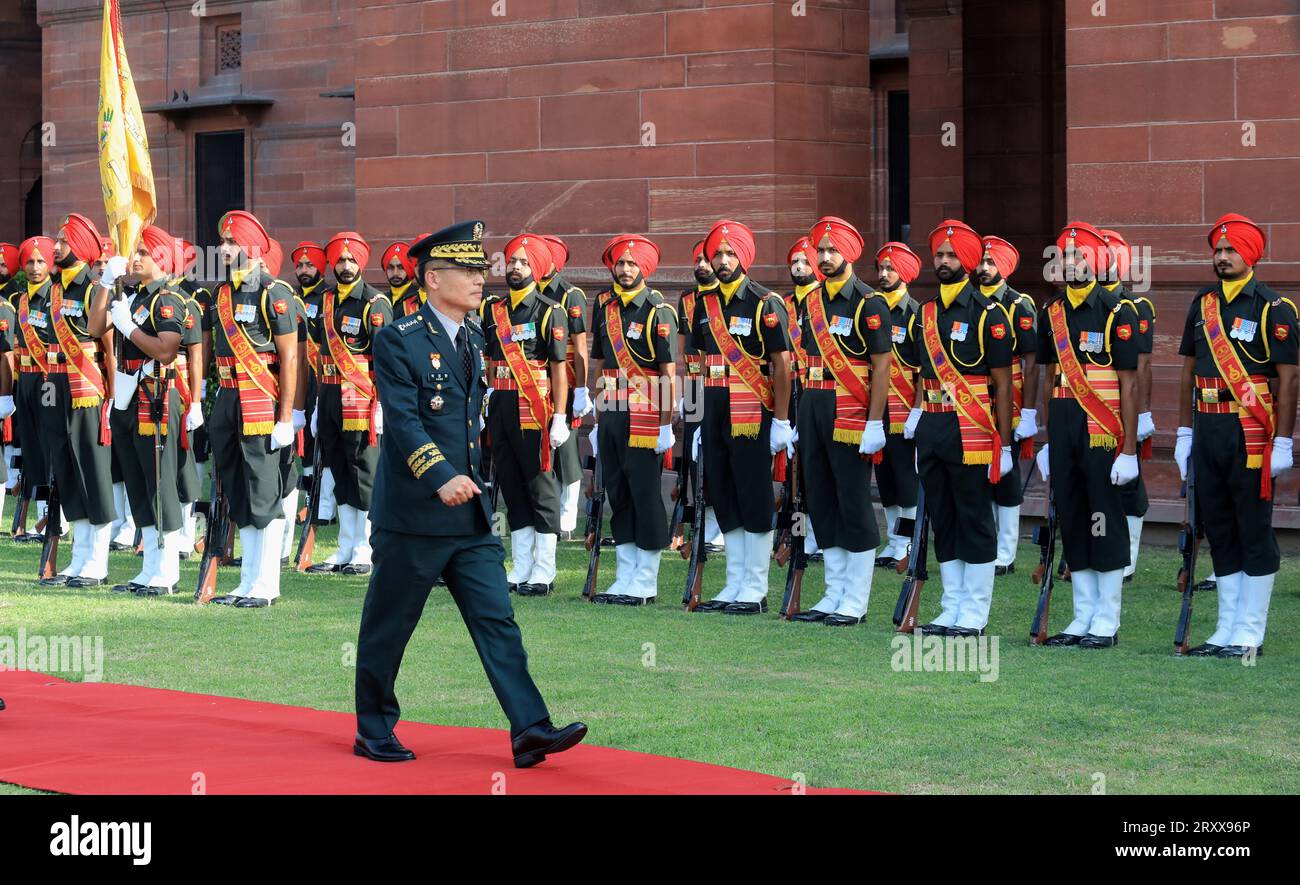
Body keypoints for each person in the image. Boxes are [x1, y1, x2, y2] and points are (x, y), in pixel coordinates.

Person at [353, 220, 586, 767]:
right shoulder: (398, 339)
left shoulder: (476, 338)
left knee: (497, 618)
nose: (483, 279)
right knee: (390, 626)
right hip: (414, 514)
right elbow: (404, 422)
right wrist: (439, 475)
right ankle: (373, 728)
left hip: (470, 515)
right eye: (469, 271)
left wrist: (473, 481)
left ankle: (530, 727)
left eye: (483, 269)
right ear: (434, 279)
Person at [1175, 214, 1297, 657]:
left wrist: (1283, 440)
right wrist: (1185, 431)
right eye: (1218, 250)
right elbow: (1188, 370)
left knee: (1252, 527)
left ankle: (1251, 630)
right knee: (1220, 527)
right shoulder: (1202, 303)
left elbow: (1288, 380)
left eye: (1231, 250)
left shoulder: (1273, 307)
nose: (1222, 257)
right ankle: (1225, 627)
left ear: (1250, 255)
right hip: (1207, 427)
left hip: (1250, 431)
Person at [898, 220, 1014, 637]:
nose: (944, 261)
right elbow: (915, 371)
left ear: (965, 260)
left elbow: (1001, 382)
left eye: (952, 255)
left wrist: (1004, 442)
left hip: (973, 428)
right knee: (943, 517)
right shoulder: (924, 313)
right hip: (932, 423)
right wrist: (915, 417)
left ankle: (975, 611)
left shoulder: (989, 314)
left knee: (974, 516)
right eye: (940, 255)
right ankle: (951, 606)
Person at [1035, 221, 1141, 649]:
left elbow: (1129, 383)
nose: (1071, 263)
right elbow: (1047, 377)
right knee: (1076, 516)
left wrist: (1130, 449)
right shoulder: (1052, 313)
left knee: (1104, 519)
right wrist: (1045, 438)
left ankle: (1107, 618)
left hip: (1102, 430)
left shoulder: (1118, 312)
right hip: (1063, 425)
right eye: (1065, 257)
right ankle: (1082, 615)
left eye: (1079, 256)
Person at [784, 217, 891, 625]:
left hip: (850, 412)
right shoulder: (810, 302)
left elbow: (881, 368)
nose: (825, 258)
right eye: (820, 251)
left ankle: (856, 600)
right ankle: (833, 592)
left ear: (848, 253)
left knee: (852, 502)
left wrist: (876, 423)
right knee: (822, 502)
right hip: (813, 407)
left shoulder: (868, 302)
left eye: (832, 250)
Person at [688, 219, 793, 614]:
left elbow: (781, 364)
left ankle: (755, 585)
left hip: (751, 413)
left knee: (753, 494)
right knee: (724, 495)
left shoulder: (766, 303)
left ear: (745, 258)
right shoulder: (705, 304)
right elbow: (698, 365)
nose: (723, 260)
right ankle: (733, 582)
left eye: (731, 253)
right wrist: (697, 422)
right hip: (713, 412)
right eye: (718, 253)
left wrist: (781, 420)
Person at [203, 210, 301, 608]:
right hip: (227, 397)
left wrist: (285, 418)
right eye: (223, 242)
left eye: (233, 243)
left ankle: (267, 584)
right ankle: (246, 582)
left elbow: (290, 357)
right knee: (239, 491)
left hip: (260, 400)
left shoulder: (273, 293)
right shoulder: (222, 294)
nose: (224, 249)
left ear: (255, 249)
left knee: (264, 492)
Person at [91, 225, 189, 594]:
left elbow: (166, 350)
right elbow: (93, 325)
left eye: (142, 253)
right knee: (135, 481)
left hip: (155, 396)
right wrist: (105, 283)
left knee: (159, 483)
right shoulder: (127, 294)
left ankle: (167, 570)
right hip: (127, 394)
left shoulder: (167, 299)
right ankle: (149, 567)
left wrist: (130, 328)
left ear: (160, 258)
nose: (135, 258)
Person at [587, 235, 677, 604]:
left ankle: (646, 578)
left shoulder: (658, 310)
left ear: (644, 268)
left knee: (644, 494)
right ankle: (625, 574)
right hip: (610, 411)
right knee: (618, 494)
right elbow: (598, 361)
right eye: (620, 263)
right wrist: (594, 414)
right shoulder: (603, 305)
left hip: (645, 414)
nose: (624, 270)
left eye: (631, 263)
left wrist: (666, 424)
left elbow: (668, 373)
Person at [480, 233, 570, 596]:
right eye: (512, 261)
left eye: (523, 262)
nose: (515, 268)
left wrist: (561, 415)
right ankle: (520, 566)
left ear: (536, 268)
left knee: (540, 486)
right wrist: (487, 394)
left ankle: (544, 570)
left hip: (533, 407)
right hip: (501, 406)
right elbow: (489, 358)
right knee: (512, 486)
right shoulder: (493, 310)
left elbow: (560, 368)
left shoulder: (550, 311)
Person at [29, 216, 116, 587]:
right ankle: (79, 558)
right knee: (65, 471)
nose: (56, 246)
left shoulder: (96, 289)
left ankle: (97, 561)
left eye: (62, 241)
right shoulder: (53, 289)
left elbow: (108, 349)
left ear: (79, 247)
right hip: (56, 387)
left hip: (87, 390)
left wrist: (113, 398)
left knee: (91, 473)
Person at [305, 232, 391, 576]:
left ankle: (365, 548)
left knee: (363, 473)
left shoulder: (374, 303)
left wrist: (383, 405)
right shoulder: (325, 301)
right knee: (338, 470)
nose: (344, 265)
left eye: (351, 260)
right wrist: (313, 406)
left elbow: (385, 360)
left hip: (360, 400)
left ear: (361, 262)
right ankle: (344, 546)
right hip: (327, 395)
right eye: (339, 260)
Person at [975, 236, 1039, 575]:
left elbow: (1031, 363)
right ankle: (987, 543)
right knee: (981, 476)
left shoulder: (1019, 305)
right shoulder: (969, 302)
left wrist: (1028, 412)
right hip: (974, 403)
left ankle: (1007, 550)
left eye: (991, 262)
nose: (984, 268)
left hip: (1008, 404)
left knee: (1007, 477)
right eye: (982, 262)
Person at [1099, 228, 1155, 583]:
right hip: (1086, 412)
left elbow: (1143, 366)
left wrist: (1144, 413)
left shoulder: (1136, 307)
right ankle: (1096, 549)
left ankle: (1128, 558)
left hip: (1123, 410)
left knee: (1128, 486)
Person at [872, 241, 922, 568]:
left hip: (906, 409)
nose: (884, 274)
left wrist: (918, 410)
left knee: (906, 480)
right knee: (885, 477)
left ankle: (907, 542)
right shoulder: (872, 309)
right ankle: (893, 541)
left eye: (890, 269)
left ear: (903, 273)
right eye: (881, 268)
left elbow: (926, 369)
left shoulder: (916, 313)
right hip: (878, 408)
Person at [539, 235, 590, 536]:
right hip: (534, 381)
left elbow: (580, 346)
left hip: (566, 381)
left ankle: (568, 519)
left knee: (568, 451)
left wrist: (581, 389)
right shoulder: (530, 291)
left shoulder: (570, 294)